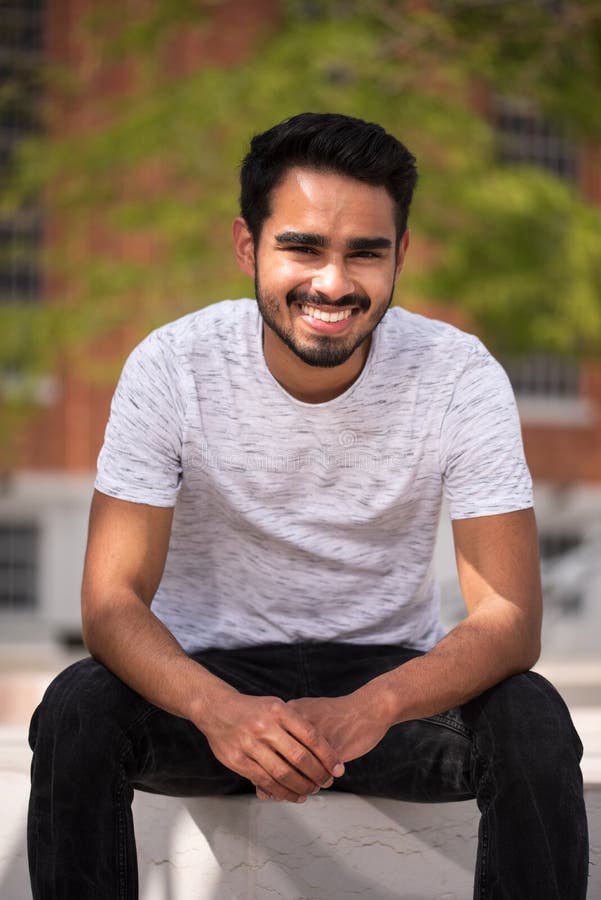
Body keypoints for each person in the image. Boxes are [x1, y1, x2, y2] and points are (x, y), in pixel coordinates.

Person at [28, 112, 588, 899]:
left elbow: (508, 619)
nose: (332, 283)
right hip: (203, 687)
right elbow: (111, 602)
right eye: (302, 247)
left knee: (530, 716)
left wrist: (371, 707)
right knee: (76, 708)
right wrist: (220, 711)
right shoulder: (173, 366)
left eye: (364, 252)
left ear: (400, 254)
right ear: (247, 247)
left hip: (386, 688)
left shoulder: (458, 375)